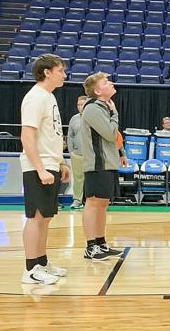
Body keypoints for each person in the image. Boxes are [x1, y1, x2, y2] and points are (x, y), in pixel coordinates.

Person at [19, 54, 71, 285]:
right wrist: (40, 168)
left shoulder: (49, 97)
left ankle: (41, 262)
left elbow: (50, 135)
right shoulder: (35, 97)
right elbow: (27, 135)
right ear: (47, 72)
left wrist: (59, 162)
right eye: (61, 70)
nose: (65, 75)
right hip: (37, 166)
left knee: (45, 218)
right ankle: (30, 269)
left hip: (50, 163)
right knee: (35, 217)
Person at [80, 72, 126, 261]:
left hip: (107, 163)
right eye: (106, 82)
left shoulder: (101, 107)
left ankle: (101, 243)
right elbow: (109, 133)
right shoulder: (92, 108)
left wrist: (121, 153)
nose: (111, 83)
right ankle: (91, 247)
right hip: (97, 164)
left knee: (102, 204)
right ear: (98, 90)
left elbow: (113, 137)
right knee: (93, 203)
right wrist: (115, 114)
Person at [67, 96, 88, 210]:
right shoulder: (73, 119)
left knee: (91, 179)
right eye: (78, 105)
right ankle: (77, 200)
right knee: (78, 178)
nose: (80, 107)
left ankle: (91, 201)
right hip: (77, 154)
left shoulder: (93, 117)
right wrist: (71, 151)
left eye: (82, 104)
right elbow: (70, 135)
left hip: (91, 155)